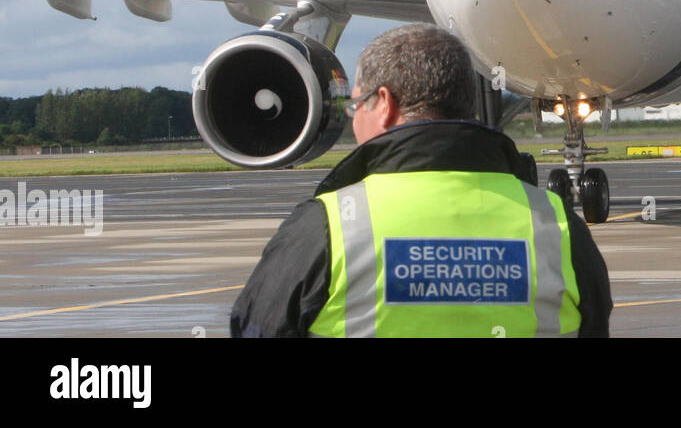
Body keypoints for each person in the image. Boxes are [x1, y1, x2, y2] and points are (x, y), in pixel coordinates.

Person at [230, 23, 612, 337]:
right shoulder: (557, 226)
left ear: (384, 104)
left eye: (355, 106)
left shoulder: (327, 227)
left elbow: (257, 327)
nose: (353, 120)